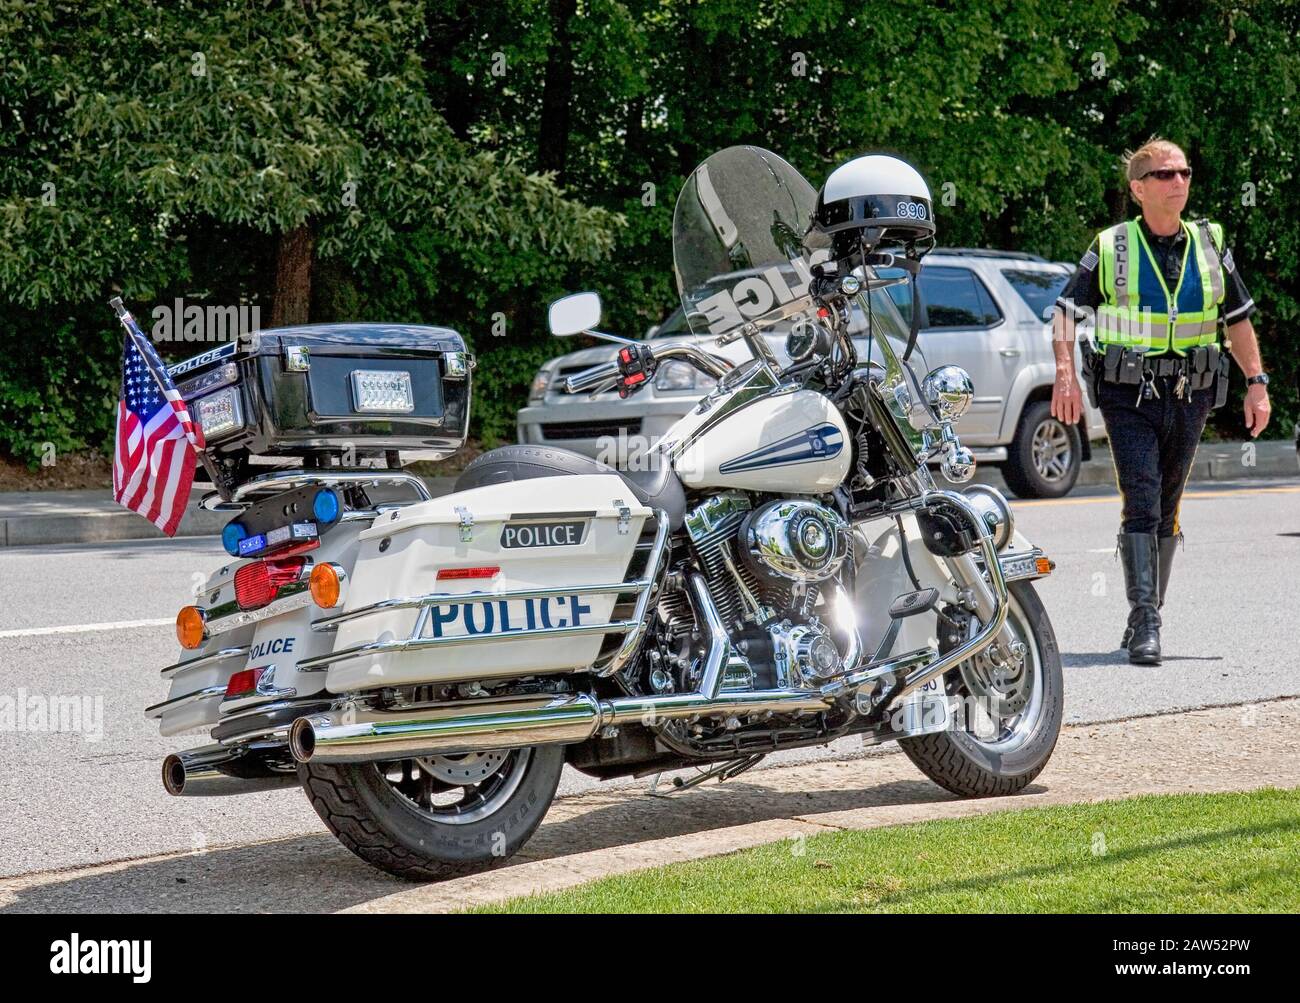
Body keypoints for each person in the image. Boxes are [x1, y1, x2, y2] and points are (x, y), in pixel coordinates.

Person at [1049, 137, 1271, 665]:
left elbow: (1236, 319)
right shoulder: (1112, 245)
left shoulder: (1211, 242)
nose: (1179, 182)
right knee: (1143, 500)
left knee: (1168, 508)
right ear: (1139, 188)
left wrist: (1257, 382)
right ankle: (1146, 621)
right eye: (1166, 175)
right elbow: (1064, 313)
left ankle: (1146, 611)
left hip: (1191, 394)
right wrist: (1065, 377)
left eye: (1184, 173)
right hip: (1129, 394)